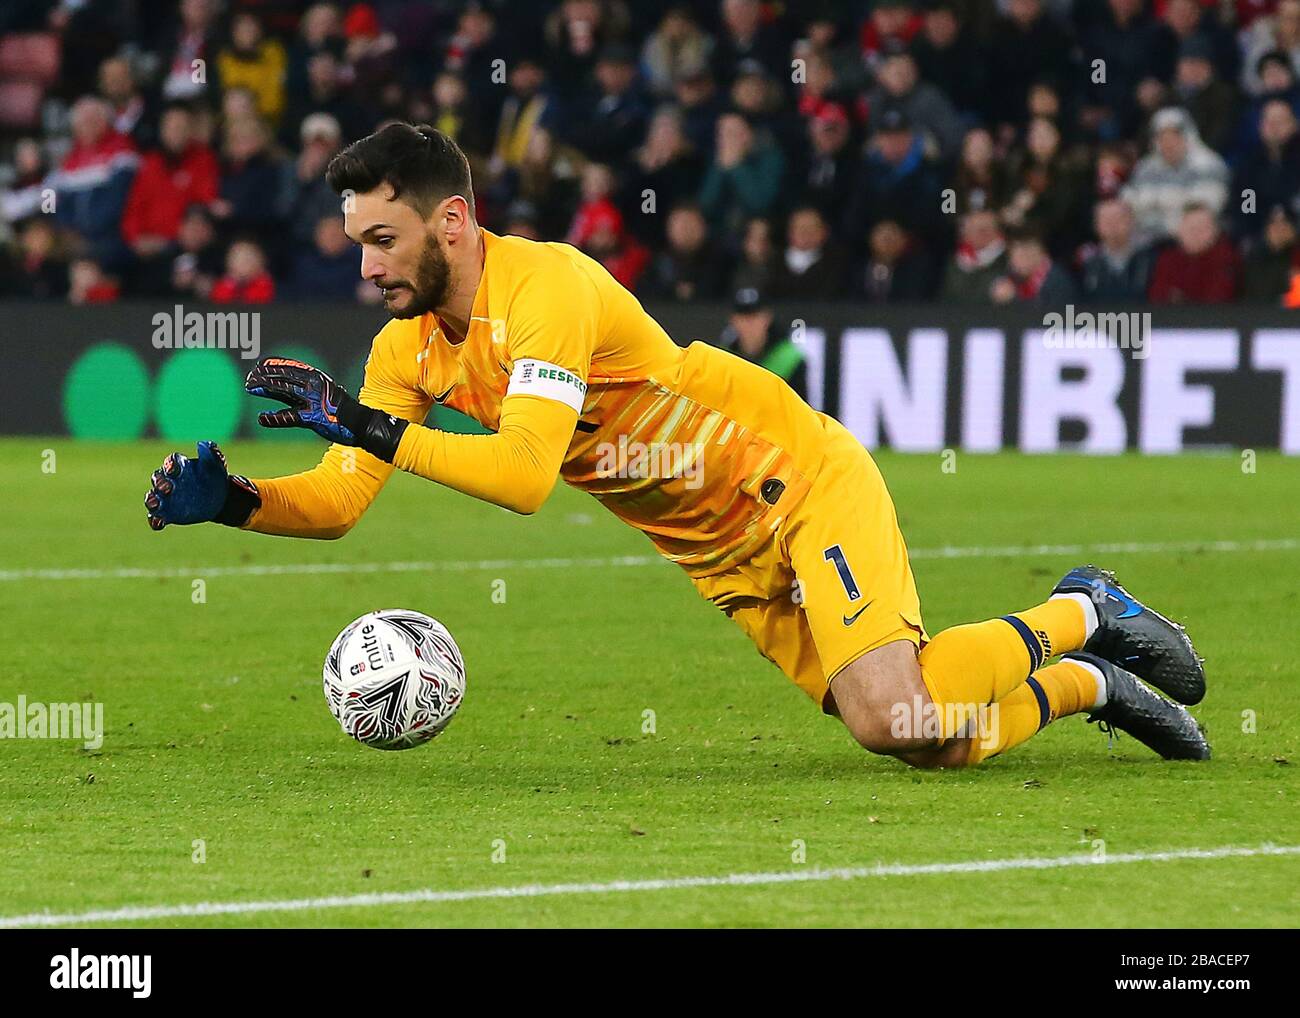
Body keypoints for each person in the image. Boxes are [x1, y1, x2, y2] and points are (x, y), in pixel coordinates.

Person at [143, 123, 1210, 769]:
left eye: (382, 238)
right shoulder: (403, 350)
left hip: (784, 476)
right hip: (721, 560)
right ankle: (1093, 682)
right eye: (355, 243)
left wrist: (374, 426)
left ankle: (1086, 609)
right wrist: (239, 502)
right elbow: (337, 498)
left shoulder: (548, 285)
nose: (367, 265)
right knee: (933, 735)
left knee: (890, 715)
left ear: (453, 220)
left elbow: (520, 478)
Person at [718, 287, 806, 401]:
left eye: (754, 317)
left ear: (767, 318)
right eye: (743, 318)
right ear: (733, 320)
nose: (749, 324)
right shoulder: (723, 358)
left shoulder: (789, 359)